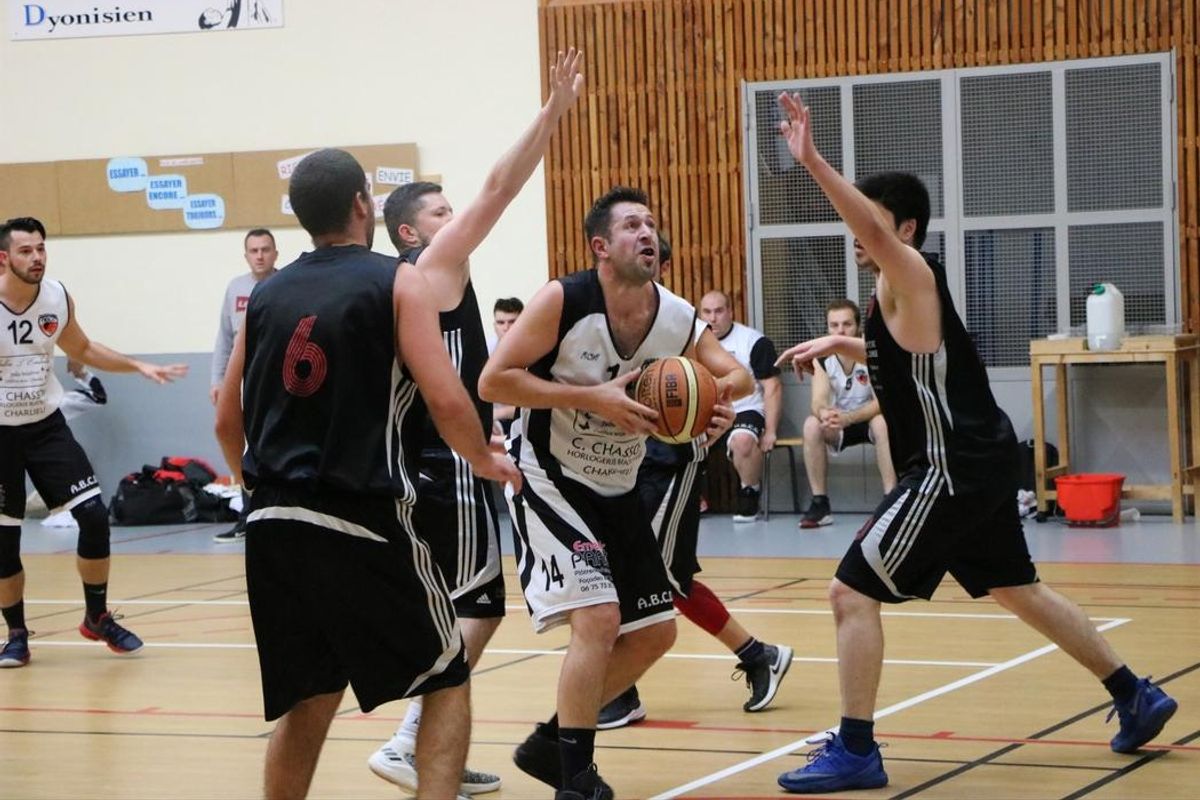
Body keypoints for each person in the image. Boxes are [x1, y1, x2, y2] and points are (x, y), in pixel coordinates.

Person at [771, 92, 1178, 794]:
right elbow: (911, 360)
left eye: (869, 223)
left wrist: (811, 161)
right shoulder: (889, 301)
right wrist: (845, 342)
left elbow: (871, 231)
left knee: (848, 593)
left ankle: (858, 748)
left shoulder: (913, 274)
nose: (854, 234)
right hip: (981, 465)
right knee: (1019, 590)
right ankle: (1134, 693)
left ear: (901, 228)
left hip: (948, 470)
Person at [213, 142, 525, 799]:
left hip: (272, 523)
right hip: (361, 515)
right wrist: (483, 459)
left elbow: (225, 418)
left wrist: (259, 490)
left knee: (310, 698)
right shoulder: (395, 279)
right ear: (363, 205)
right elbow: (445, 396)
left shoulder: (265, 295)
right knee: (444, 675)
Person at [479, 186, 753, 800]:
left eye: (651, 223)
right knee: (600, 616)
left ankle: (553, 743)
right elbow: (494, 378)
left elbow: (735, 372)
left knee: (655, 633)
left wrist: (719, 406)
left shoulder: (678, 316)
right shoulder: (563, 300)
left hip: (619, 482)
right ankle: (575, 780)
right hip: (550, 475)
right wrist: (589, 397)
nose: (647, 233)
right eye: (632, 225)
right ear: (602, 246)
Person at [366, 52, 583, 797]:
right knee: (479, 605)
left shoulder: (395, 282)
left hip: (428, 459)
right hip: (450, 464)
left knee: (469, 605)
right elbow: (500, 186)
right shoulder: (433, 264)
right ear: (407, 231)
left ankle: (422, 744)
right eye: (437, 211)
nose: (452, 218)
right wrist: (552, 112)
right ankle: (409, 744)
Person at [598, 233, 793, 731]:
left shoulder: (678, 318)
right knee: (665, 578)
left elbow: (743, 378)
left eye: (652, 254)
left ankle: (621, 690)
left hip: (670, 460)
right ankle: (758, 656)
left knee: (651, 578)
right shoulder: (594, 315)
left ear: (661, 265)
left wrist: (709, 394)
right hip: (618, 463)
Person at [0, 216, 188, 669]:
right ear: (4, 258)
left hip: (46, 425)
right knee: (5, 544)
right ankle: (17, 634)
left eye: (41, 248)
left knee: (94, 518)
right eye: (26, 250)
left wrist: (137, 365)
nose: (38, 257)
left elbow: (81, 348)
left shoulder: (56, 296)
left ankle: (97, 616)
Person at [799, 299, 896, 529]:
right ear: (827, 329)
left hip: (869, 419)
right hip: (839, 423)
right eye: (834, 326)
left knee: (883, 422)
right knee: (812, 425)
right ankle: (820, 504)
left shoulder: (871, 352)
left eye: (846, 324)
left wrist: (849, 418)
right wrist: (824, 413)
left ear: (858, 326)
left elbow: (883, 402)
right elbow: (818, 399)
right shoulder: (822, 358)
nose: (840, 331)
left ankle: (891, 500)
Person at [211, 228, 279, 544]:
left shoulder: (285, 283)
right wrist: (218, 381)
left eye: (266, 249)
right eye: (254, 250)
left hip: (279, 383)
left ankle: (276, 512)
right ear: (246, 255)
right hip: (244, 382)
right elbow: (225, 338)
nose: (260, 255)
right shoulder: (235, 288)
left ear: (275, 253)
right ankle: (246, 515)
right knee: (243, 446)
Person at [697, 290, 782, 522]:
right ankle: (694, 496)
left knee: (743, 441)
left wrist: (771, 430)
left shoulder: (754, 341)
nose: (712, 318)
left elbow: (772, 387)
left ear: (730, 312)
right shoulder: (692, 343)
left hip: (746, 408)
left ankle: (749, 490)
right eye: (707, 312)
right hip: (707, 411)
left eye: (719, 311)